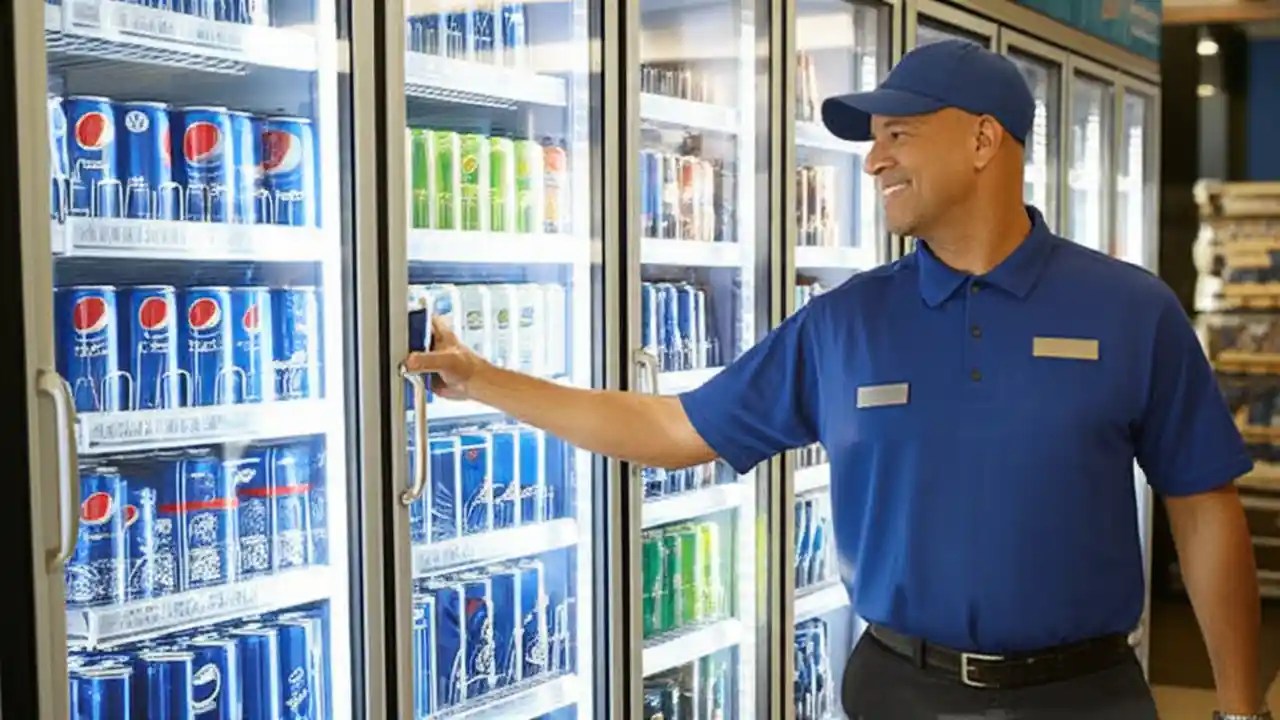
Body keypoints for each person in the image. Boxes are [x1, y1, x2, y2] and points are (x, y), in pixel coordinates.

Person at [405, 39, 1269, 719]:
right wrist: (484, 381)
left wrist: (1239, 711)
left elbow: (1204, 510)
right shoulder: (845, 322)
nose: (873, 161)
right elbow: (672, 431)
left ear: (982, 139)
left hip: (1087, 700)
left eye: (899, 134)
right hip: (899, 693)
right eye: (872, 140)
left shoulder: (1131, 309)